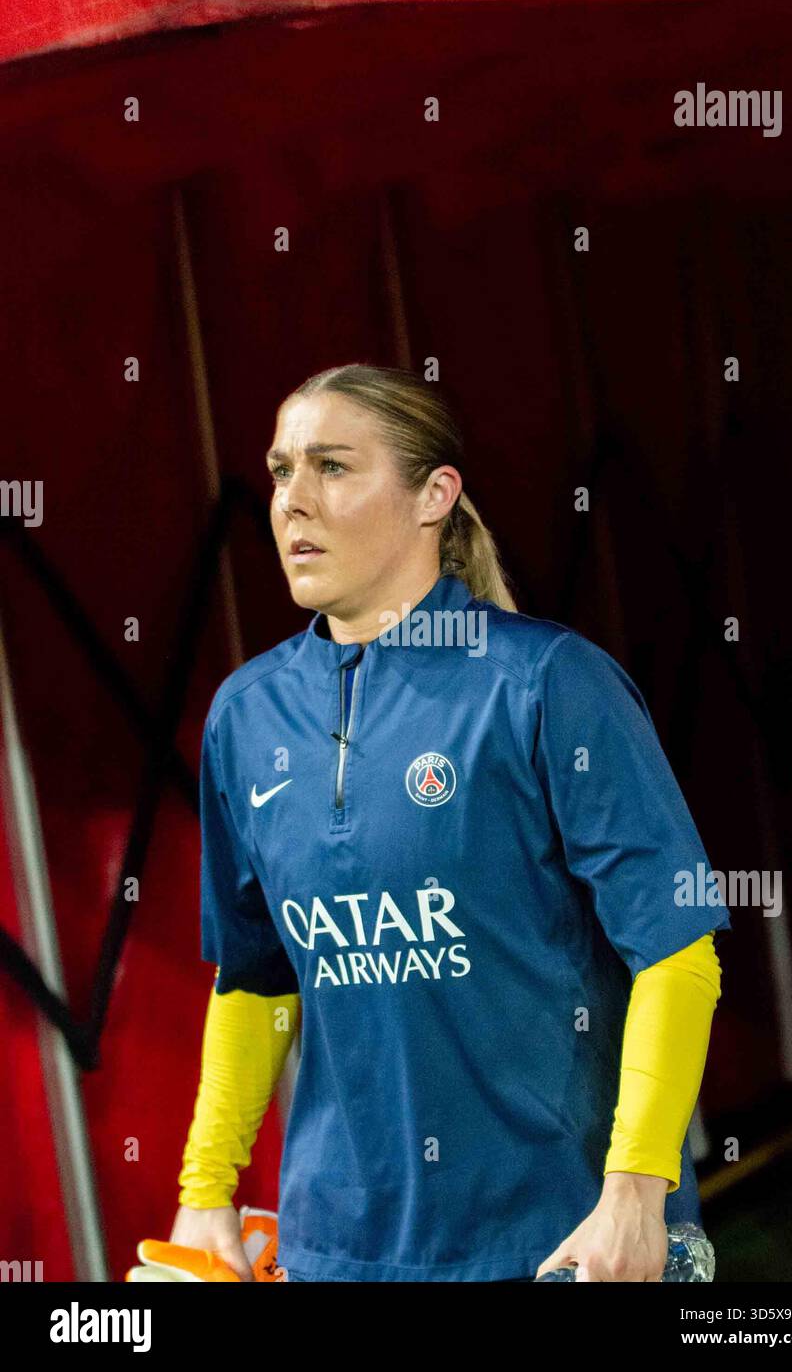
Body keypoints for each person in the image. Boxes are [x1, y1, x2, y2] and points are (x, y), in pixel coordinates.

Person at [170, 363, 731, 1282]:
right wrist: (205, 1194)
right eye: (279, 471)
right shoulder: (245, 715)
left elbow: (677, 952)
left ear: (435, 496)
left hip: (564, 1242)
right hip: (340, 1254)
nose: (292, 503)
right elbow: (253, 978)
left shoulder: (549, 681)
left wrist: (635, 1192)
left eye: (332, 468)